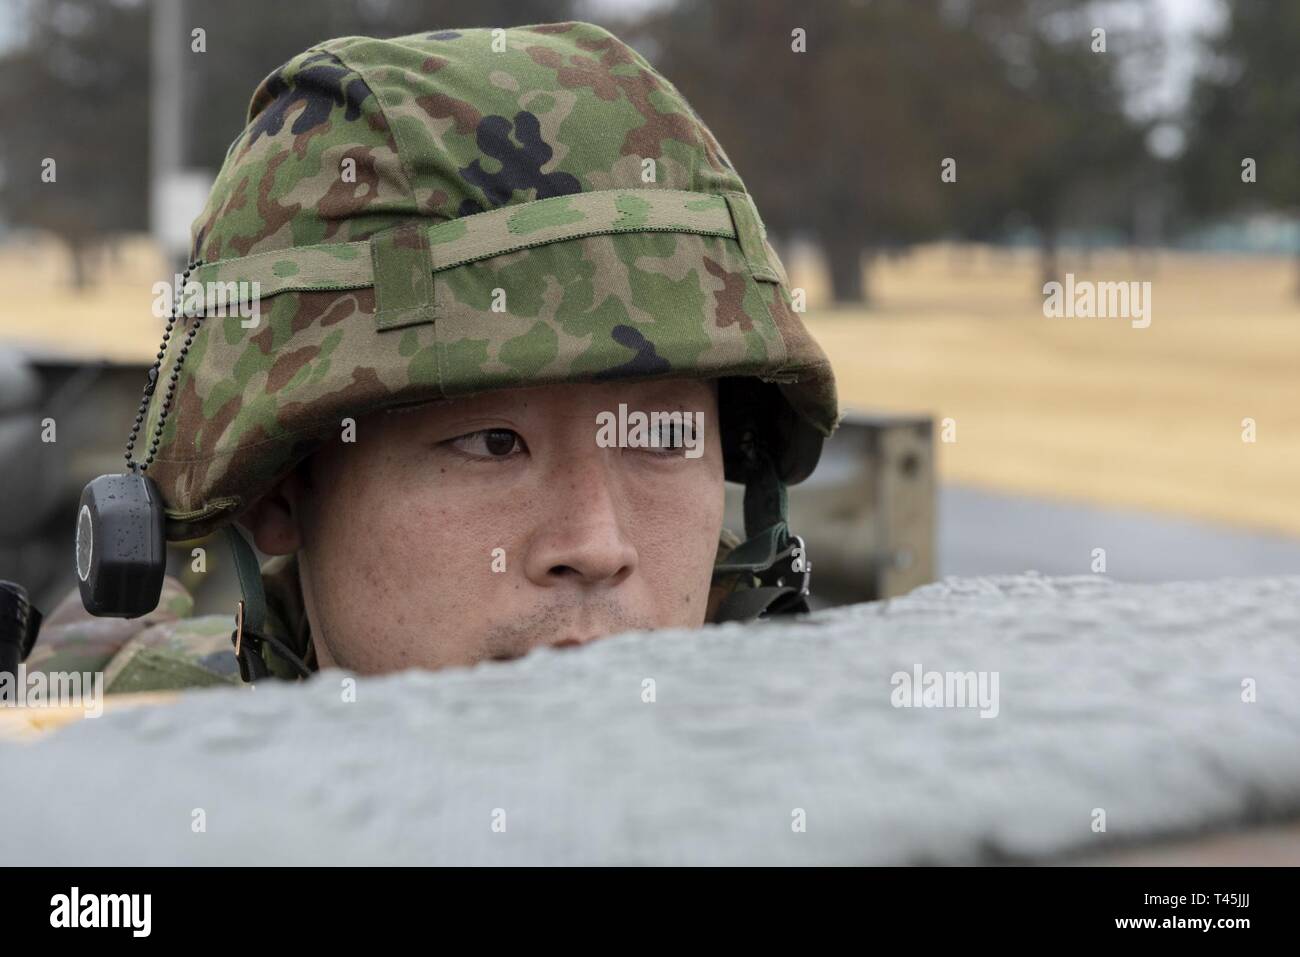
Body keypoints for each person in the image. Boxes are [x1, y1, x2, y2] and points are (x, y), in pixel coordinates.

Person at [31, 21, 838, 691]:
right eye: (493, 442)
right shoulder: (121, 776)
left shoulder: (845, 772)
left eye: (660, 438)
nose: (596, 545)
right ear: (277, 490)